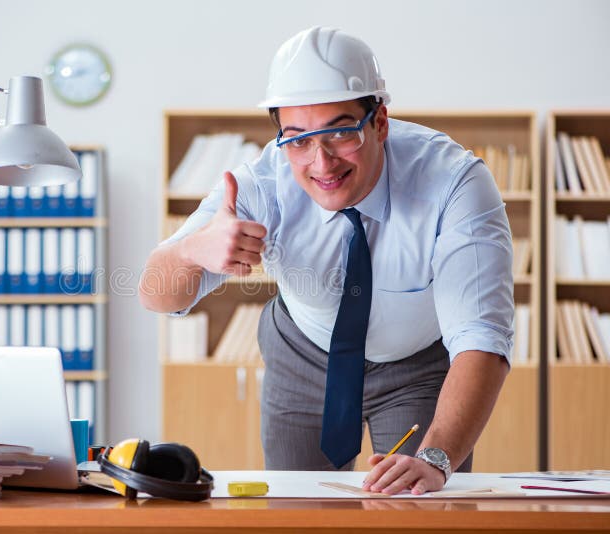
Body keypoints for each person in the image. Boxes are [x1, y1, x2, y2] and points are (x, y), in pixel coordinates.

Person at [139, 26, 513, 495]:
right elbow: (153, 294)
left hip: (416, 364)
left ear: (379, 122)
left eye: (339, 132)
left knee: (414, 504)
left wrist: (438, 458)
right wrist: (192, 252)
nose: (321, 162)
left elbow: (483, 338)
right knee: (297, 510)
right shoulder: (260, 183)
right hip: (303, 353)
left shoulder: (455, 183)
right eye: (297, 139)